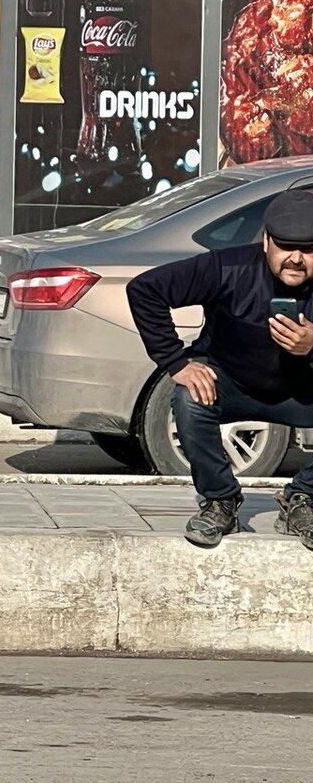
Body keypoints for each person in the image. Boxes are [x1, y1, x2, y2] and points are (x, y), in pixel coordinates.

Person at [127, 189, 313, 549]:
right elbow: (145, 290)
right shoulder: (227, 267)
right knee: (189, 396)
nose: (295, 259)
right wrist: (176, 363)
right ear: (266, 242)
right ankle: (221, 502)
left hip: (302, 394)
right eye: (285, 246)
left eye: (307, 249)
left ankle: (302, 500)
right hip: (231, 385)